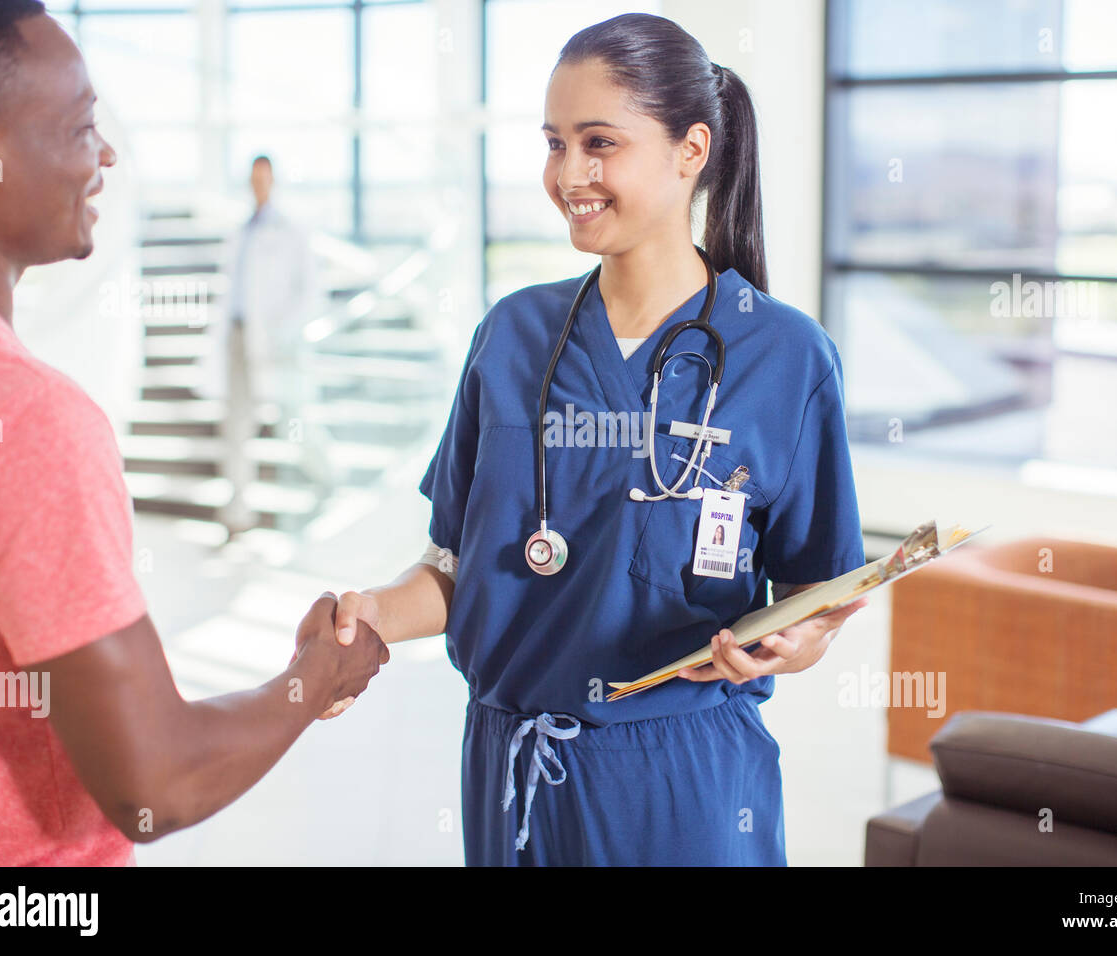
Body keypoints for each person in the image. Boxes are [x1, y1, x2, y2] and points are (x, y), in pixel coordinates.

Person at [334, 12, 866, 866]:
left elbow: (814, 586)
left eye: (599, 143)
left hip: (682, 781)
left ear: (690, 149)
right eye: (554, 143)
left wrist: (801, 642)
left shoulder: (786, 357)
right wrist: (370, 618)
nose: (569, 174)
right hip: (512, 770)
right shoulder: (512, 337)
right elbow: (458, 567)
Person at [0, 1, 385, 866]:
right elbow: (155, 782)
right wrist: (319, 678)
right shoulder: (31, 422)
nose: (105, 154)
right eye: (81, 128)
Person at [207, 154, 325, 538]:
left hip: (277, 344)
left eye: (264, 179)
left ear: (273, 181)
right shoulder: (241, 230)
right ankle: (238, 513)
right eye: (253, 179)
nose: (259, 186)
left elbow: (309, 292)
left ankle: (325, 475)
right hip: (238, 338)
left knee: (293, 418)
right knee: (236, 425)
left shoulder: (291, 230)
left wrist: (282, 333)